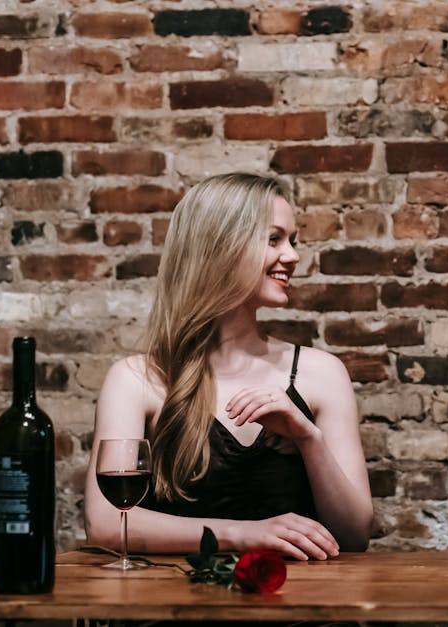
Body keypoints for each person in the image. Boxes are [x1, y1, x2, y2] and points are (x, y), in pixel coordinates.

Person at [84, 172, 373, 560]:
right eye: (274, 239)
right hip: (172, 609)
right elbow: (104, 524)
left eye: (292, 241)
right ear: (221, 247)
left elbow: (354, 535)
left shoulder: (321, 373)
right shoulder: (136, 379)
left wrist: (308, 438)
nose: (292, 255)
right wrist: (244, 534)